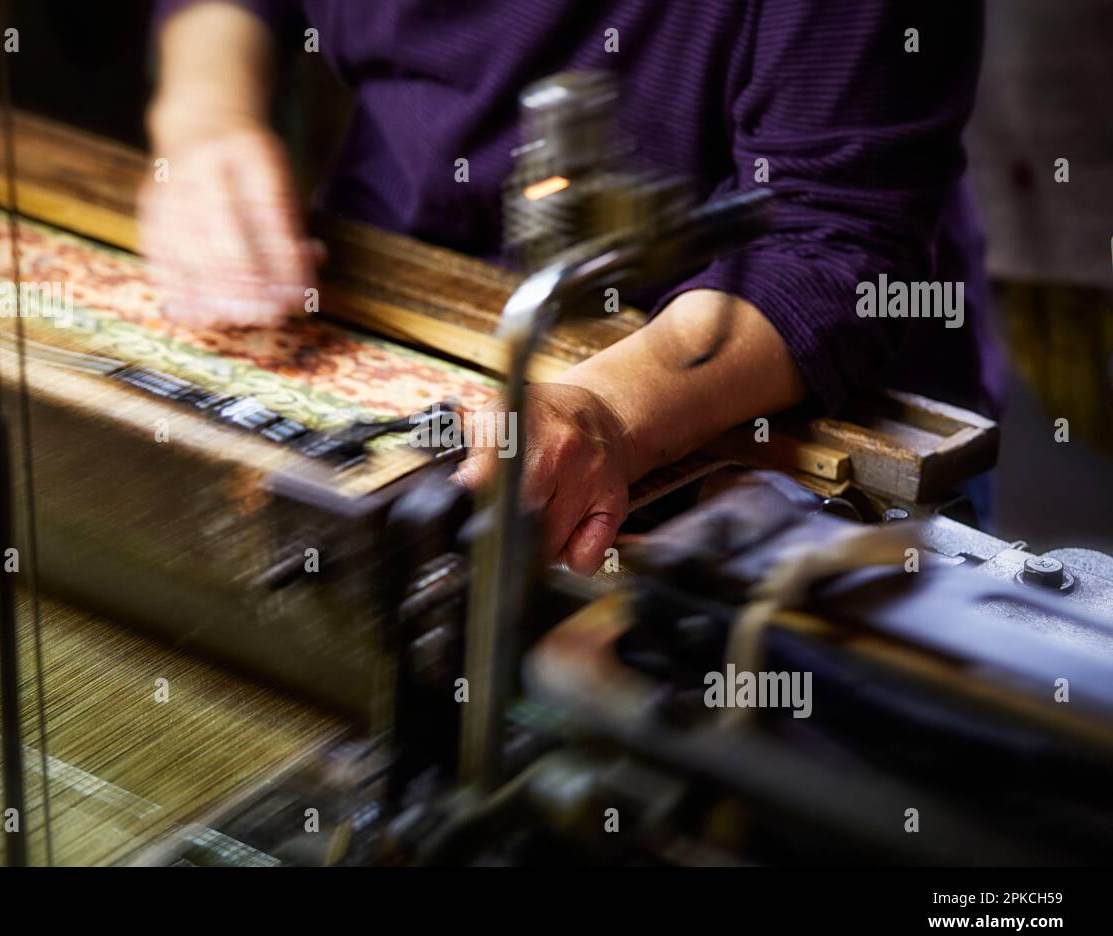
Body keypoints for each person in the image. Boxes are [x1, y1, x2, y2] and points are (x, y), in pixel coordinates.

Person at [143, 0, 1004, 575]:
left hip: (761, 388)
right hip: (400, 281)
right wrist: (204, 118)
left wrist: (606, 415)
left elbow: (833, 236)